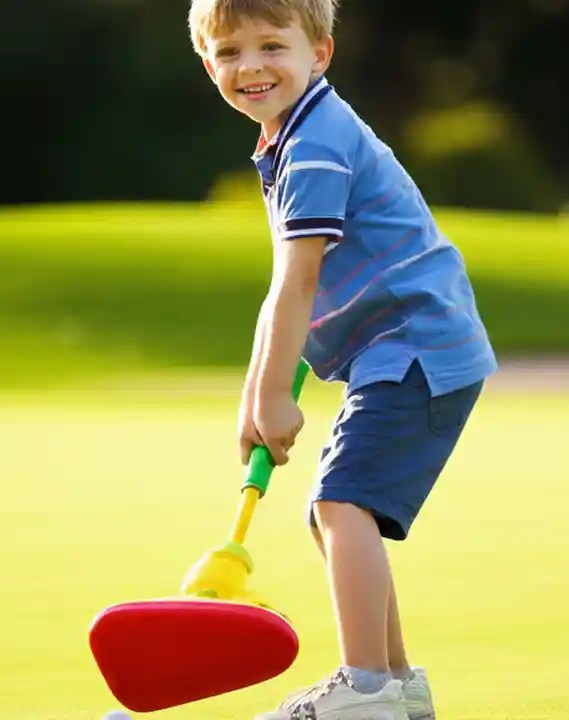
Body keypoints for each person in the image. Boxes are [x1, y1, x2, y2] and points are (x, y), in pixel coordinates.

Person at [189, 1, 497, 717]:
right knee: (332, 508)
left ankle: (366, 690)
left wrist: (269, 395)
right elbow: (301, 292)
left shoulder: (316, 145)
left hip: (416, 348)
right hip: (403, 349)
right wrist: (257, 395)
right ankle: (396, 684)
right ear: (209, 66)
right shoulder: (294, 137)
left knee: (340, 502)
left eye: (273, 45)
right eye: (231, 53)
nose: (253, 66)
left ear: (320, 53)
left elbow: (295, 283)